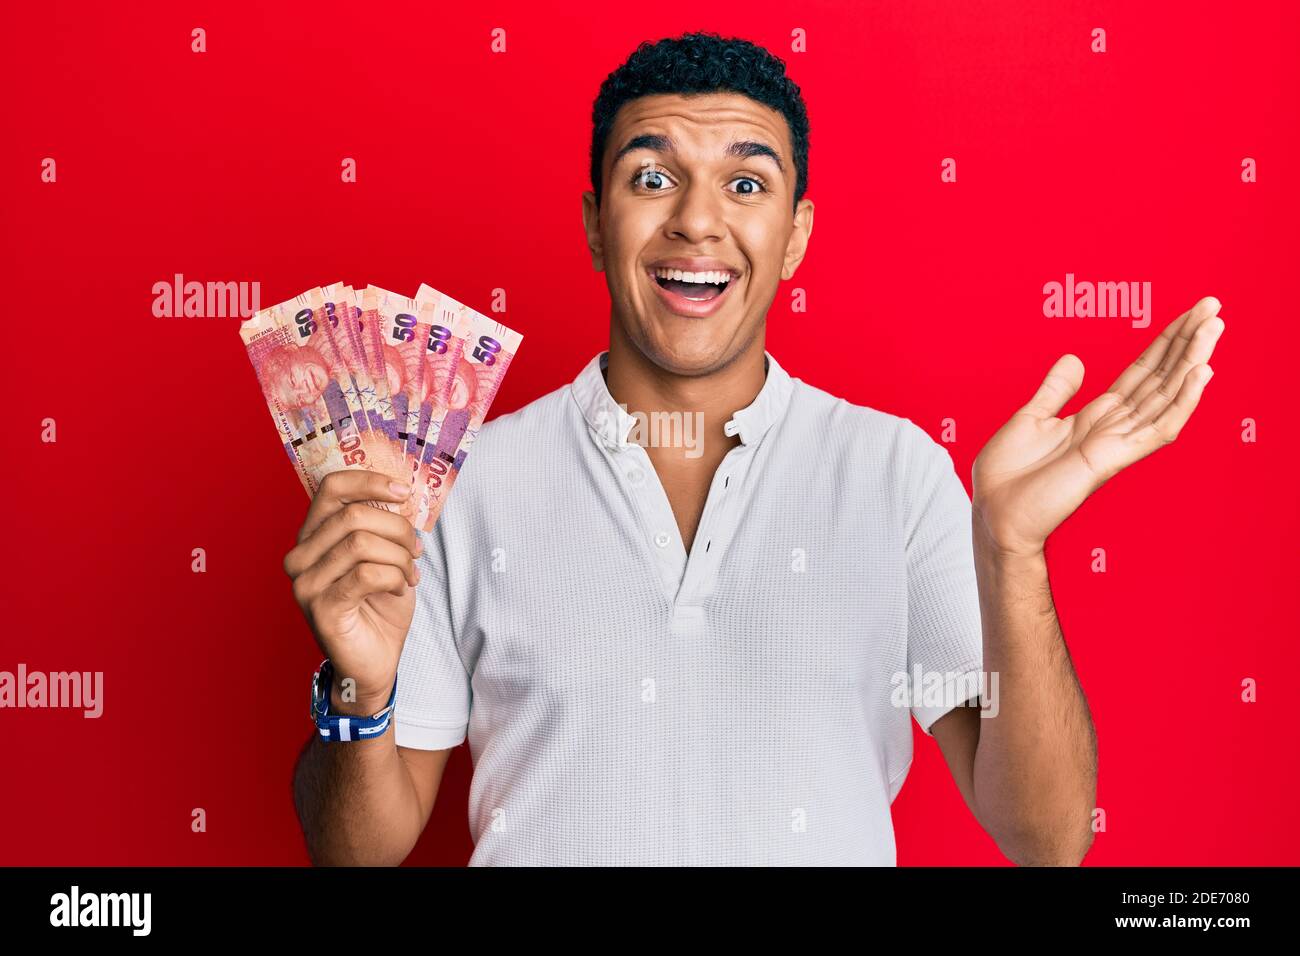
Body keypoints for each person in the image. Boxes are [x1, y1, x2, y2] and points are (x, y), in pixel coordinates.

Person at [286, 32, 1224, 866]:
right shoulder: (463, 481)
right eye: (651, 177)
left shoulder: (896, 475)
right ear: (591, 223)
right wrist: (357, 688)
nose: (697, 220)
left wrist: (1013, 554)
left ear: (796, 235)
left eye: (746, 182)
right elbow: (358, 852)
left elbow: (1047, 839)